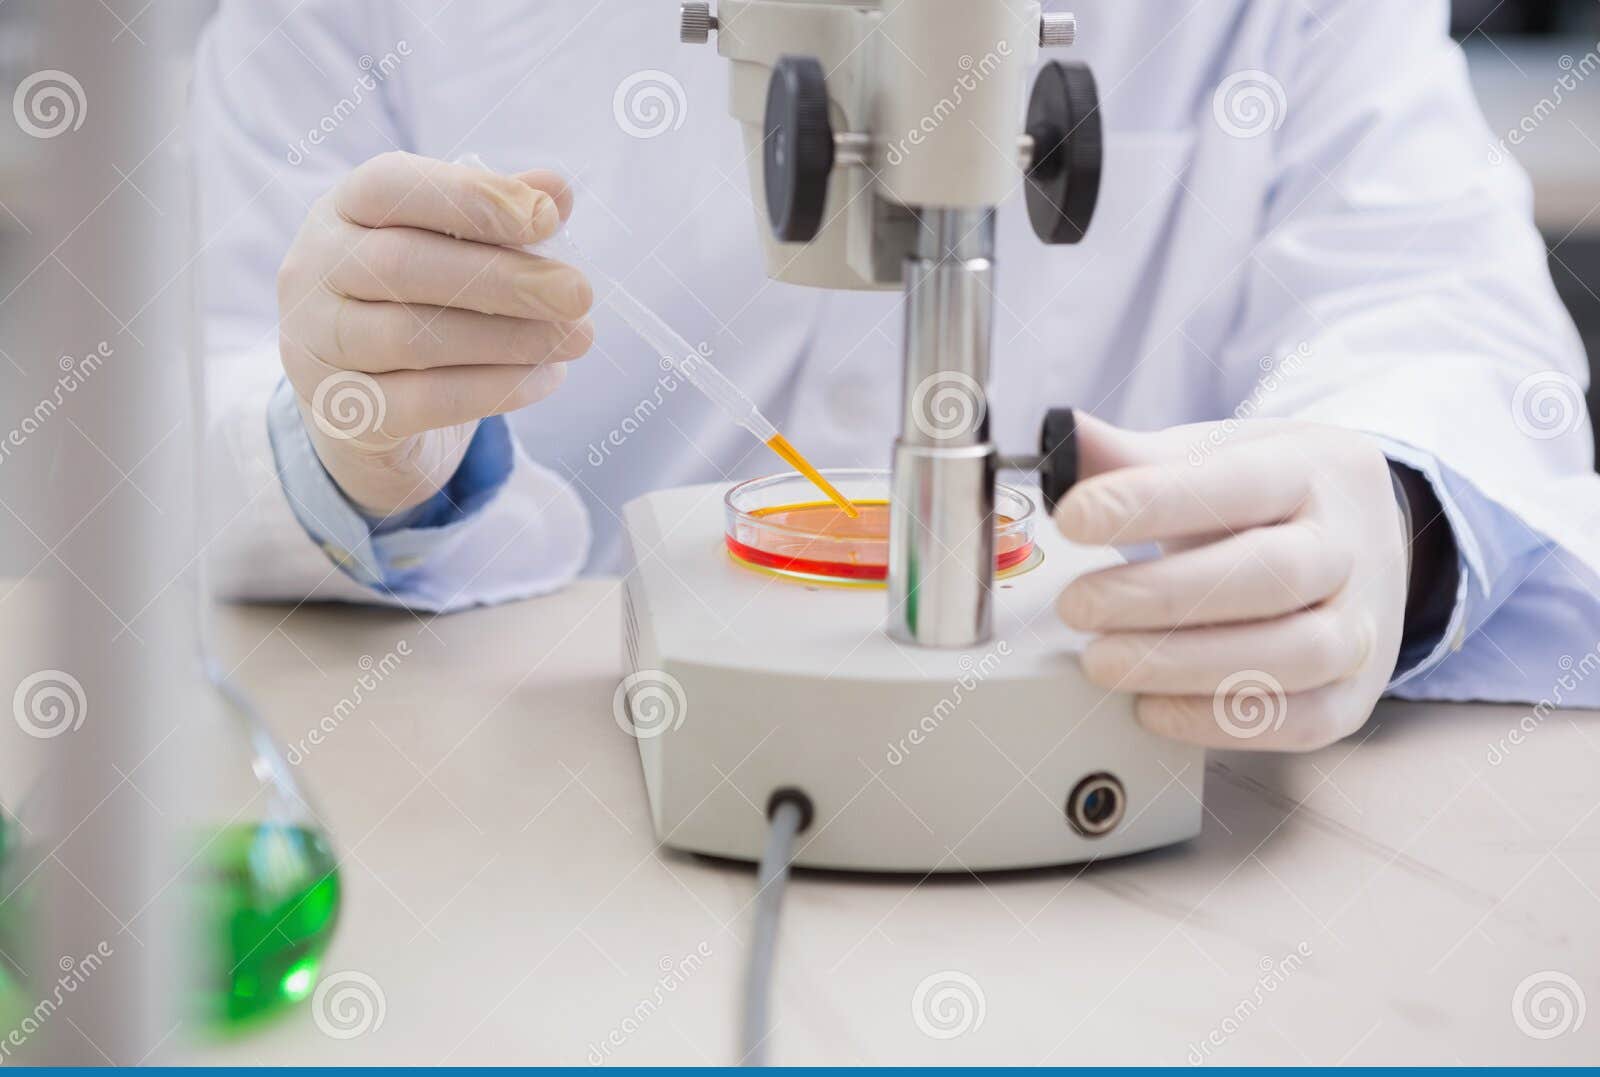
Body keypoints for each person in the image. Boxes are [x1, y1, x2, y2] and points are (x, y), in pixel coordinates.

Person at [192, 0, 1599, 751]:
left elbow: (1437, 308)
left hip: (1152, 796)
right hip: (542, 801)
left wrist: (1389, 513)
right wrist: (354, 434)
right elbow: (171, 401)